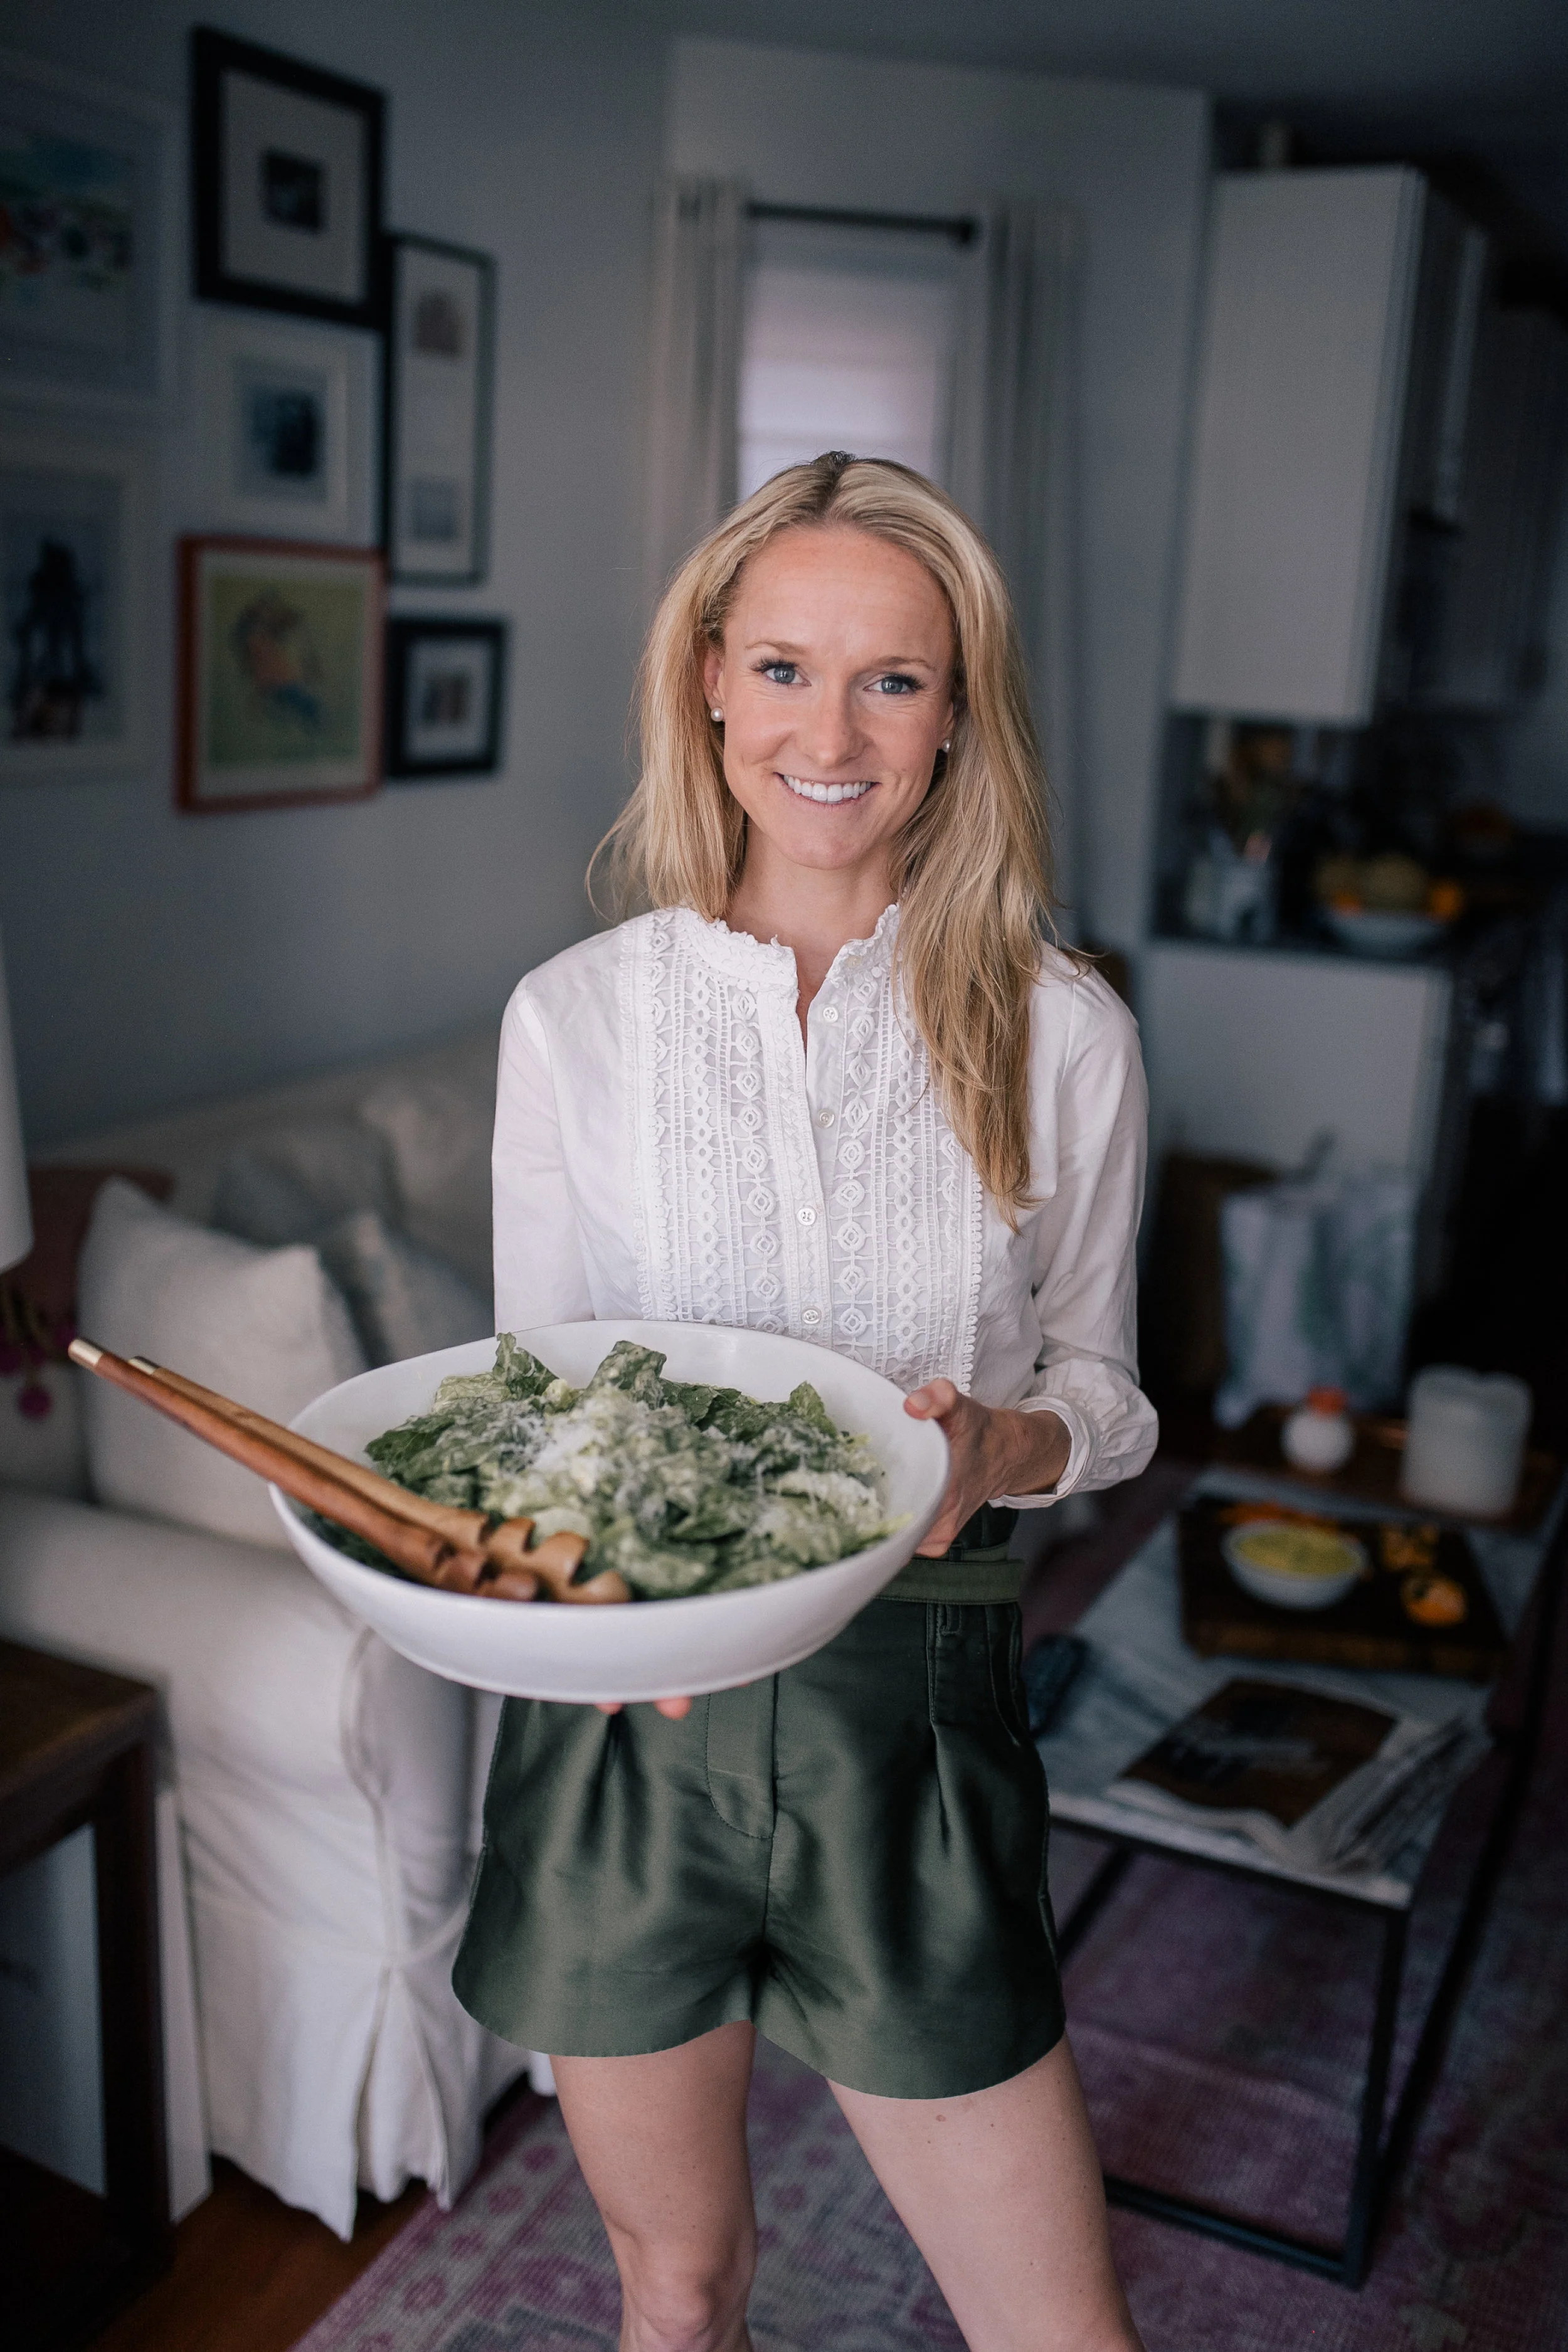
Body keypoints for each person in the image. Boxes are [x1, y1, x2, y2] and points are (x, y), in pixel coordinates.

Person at [455, 452, 1157, 2352]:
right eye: (780, 667)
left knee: (1056, 2332)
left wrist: (1012, 1445)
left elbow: (1104, 1385)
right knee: (676, 2296)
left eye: (891, 679)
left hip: (911, 1714)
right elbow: (550, 1401)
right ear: (702, 678)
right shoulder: (575, 1019)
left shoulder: (1060, 1024)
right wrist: (580, 1594)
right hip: (629, 1720)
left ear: (955, 715)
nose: (827, 731)